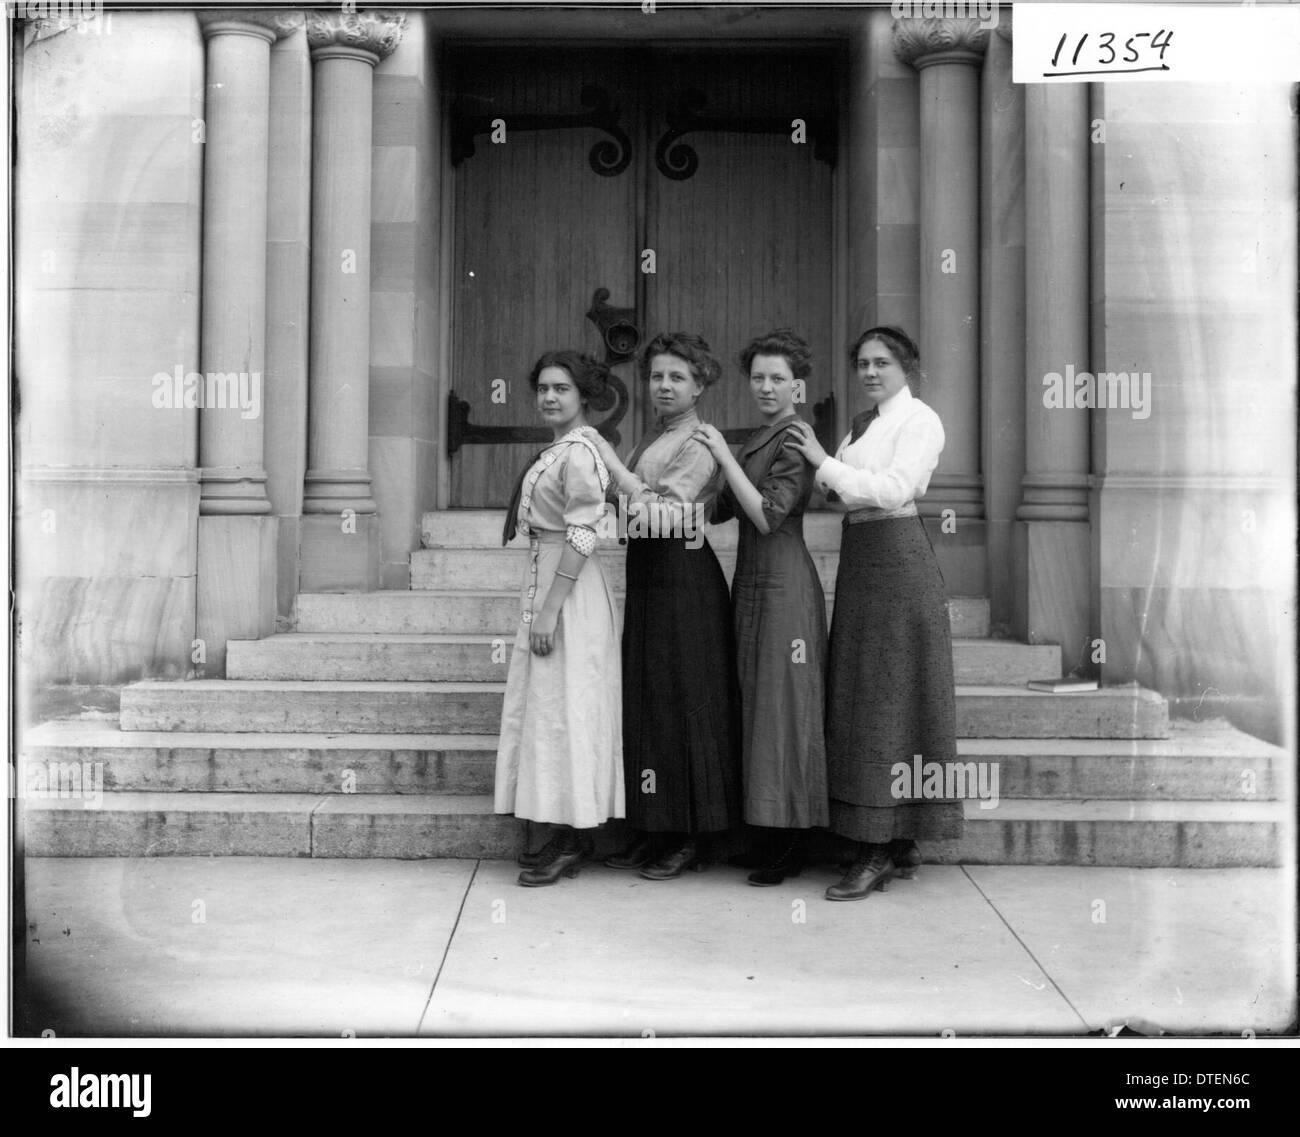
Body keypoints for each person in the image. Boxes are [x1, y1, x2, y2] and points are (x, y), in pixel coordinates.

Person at [787, 326, 961, 901]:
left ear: (906, 366)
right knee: (864, 693)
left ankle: (878, 848)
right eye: (861, 362)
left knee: (891, 696)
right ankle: (892, 837)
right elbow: (837, 492)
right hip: (863, 562)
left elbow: (892, 490)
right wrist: (834, 473)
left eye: (881, 363)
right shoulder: (862, 425)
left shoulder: (921, 421)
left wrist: (821, 460)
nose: (869, 372)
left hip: (899, 561)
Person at [584, 332, 741, 880]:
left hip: (684, 577)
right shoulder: (656, 438)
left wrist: (610, 462)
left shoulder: (698, 441)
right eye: (656, 376)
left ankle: (689, 838)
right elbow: (632, 508)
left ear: (700, 384)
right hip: (652, 577)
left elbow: (660, 517)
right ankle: (654, 831)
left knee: (684, 700)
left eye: (678, 376)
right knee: (651, 699)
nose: (664, 385)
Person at [692, 329, 828, 886]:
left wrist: (722, 452)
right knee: (756, 706)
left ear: (798, 384)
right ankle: (766, 831)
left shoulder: (795, 436)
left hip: (784, 583)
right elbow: (720, 510)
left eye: (778, 378)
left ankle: (792, 841)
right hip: (751, 581)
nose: (767, 387)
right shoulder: (758, 439)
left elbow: (769, 515)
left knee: (785, 709)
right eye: (759, 377)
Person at [494, 351, 625, 887]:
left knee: (571, 707)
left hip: (569, 592)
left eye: (562, 389)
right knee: (549, 709)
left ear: (583, 396)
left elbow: (582, 533)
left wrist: (550, 610)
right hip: (545, 579)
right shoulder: (561, 450)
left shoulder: (581, 453)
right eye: (543, 388)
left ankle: (575, 838)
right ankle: (560, 830)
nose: (550, 397)